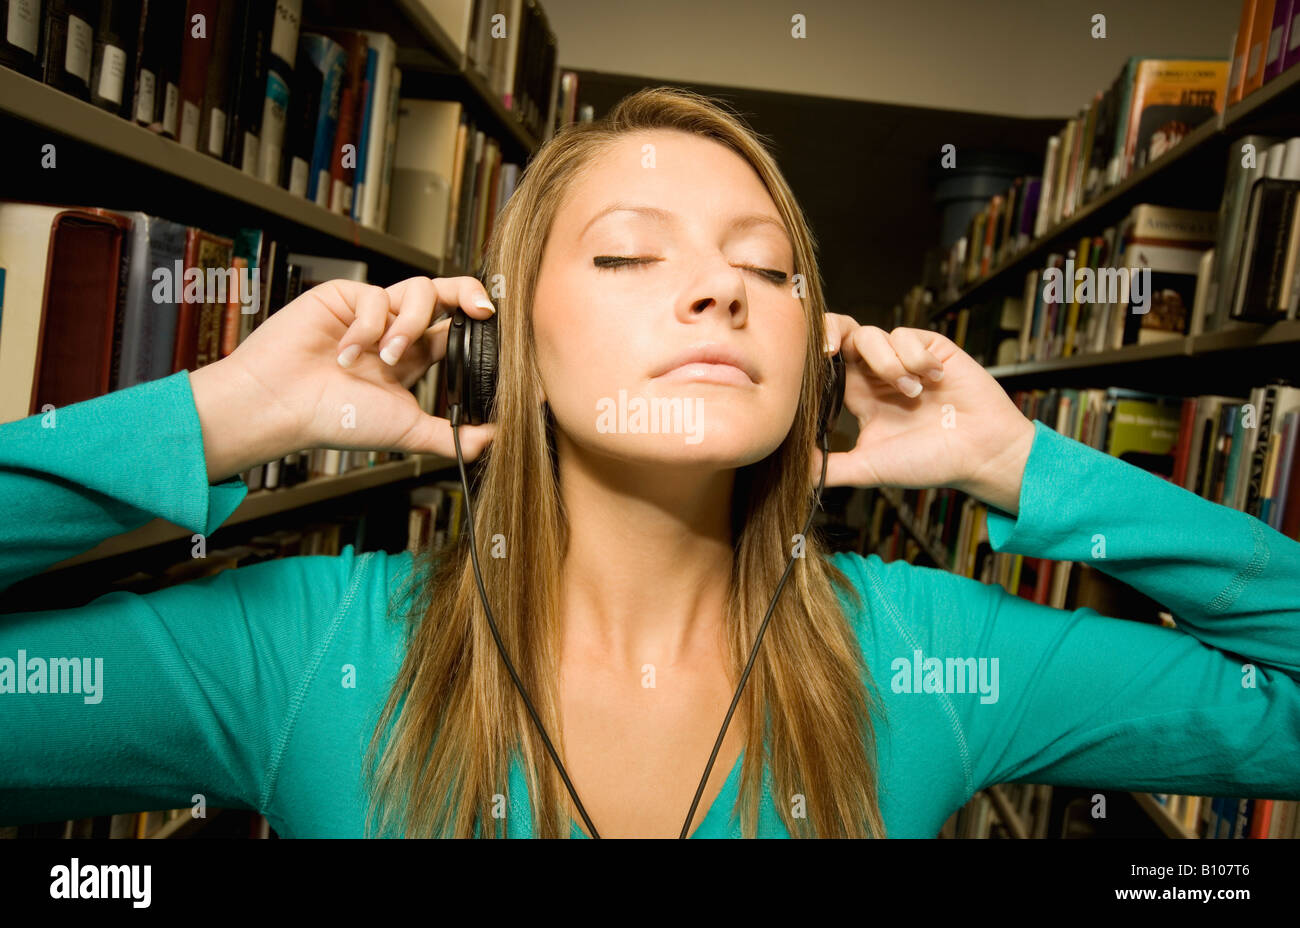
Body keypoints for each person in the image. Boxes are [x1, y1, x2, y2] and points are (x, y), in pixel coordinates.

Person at [2, 87, 1297, 839]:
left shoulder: (926, 655)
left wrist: (1024, 464)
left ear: (811, 353)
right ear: (504, 345)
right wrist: (219, 417)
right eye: (629, 252)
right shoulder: (300, 651)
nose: (718, 292)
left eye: (766, 264)